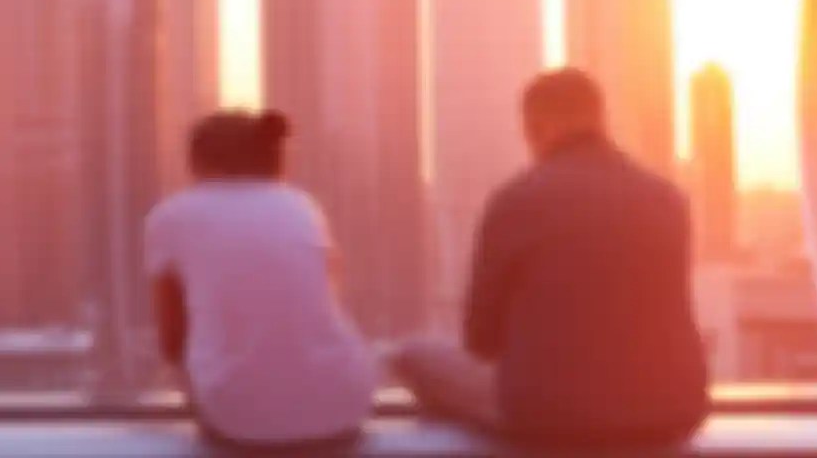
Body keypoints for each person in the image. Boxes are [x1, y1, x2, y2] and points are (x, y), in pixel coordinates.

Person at [393, 68, 709, 449]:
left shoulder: (516, 199)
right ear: (600, 119)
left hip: (550, 417)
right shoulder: (667, 198)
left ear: (535, 126)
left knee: (413, 355)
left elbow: (480, 340)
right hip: (671, 409)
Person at [145, 110, 376, 449]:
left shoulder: (171, 216)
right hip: (345, 404)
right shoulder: (302, 207)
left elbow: (172, 339)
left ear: (197, 160)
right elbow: (325, 302)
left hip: (239, 421)